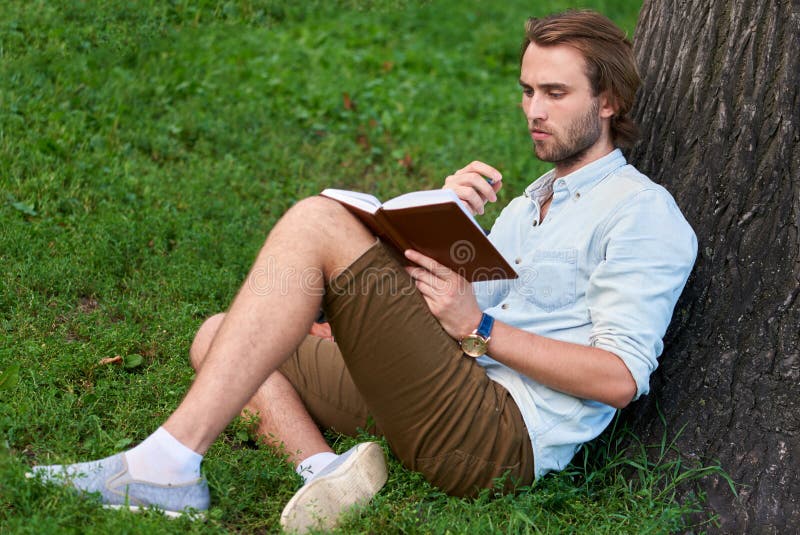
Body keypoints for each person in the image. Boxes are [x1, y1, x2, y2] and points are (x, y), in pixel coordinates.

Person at [30, 9, 698, 533]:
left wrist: (481, 326)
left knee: (317, 221)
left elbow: (619, 379)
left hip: (496, 437)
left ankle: (165, 468)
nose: (533, 111)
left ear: (608, 101)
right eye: (527, 91)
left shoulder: (641, 213)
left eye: (555, 93)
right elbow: (444, 310)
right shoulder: (529, 205)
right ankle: (326, 471)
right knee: (219, 337)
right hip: (446, 385)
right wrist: (438, 219)